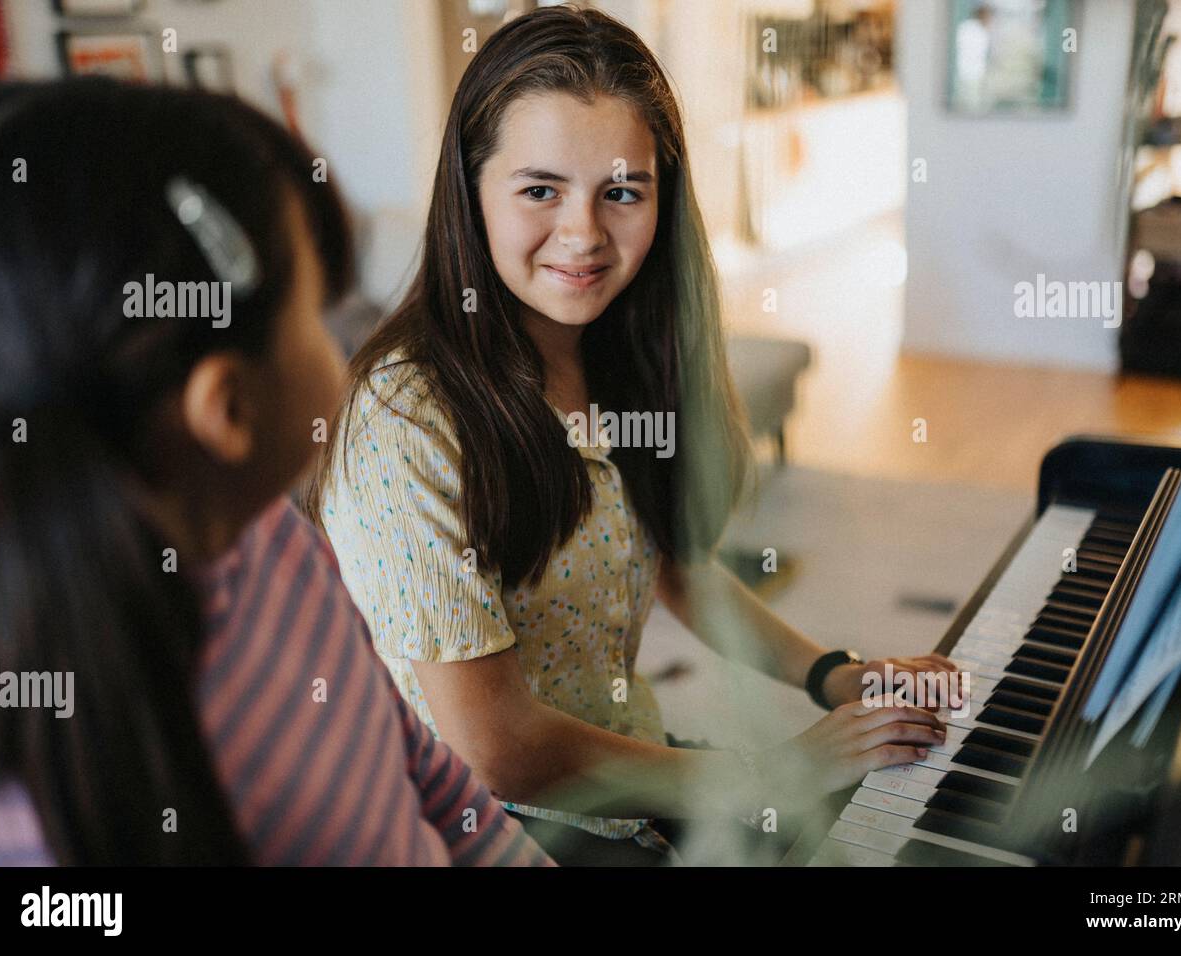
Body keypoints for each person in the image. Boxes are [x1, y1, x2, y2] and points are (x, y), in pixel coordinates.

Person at [309, 4, 954, 865]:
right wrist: (767, 770)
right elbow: (495, 746)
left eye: (622, 192)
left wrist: (833, 672)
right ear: (470, 191)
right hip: (485, 827)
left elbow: (671, 564)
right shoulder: (403, 420)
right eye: (540, 189)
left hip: (626, 779)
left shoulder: (614, 349)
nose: (583, 235)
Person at [0, 78, 550, 867]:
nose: (344, 341)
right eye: (317, 313)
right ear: (230, 409)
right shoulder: (35, 825)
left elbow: (426, 773)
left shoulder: (273, 538)